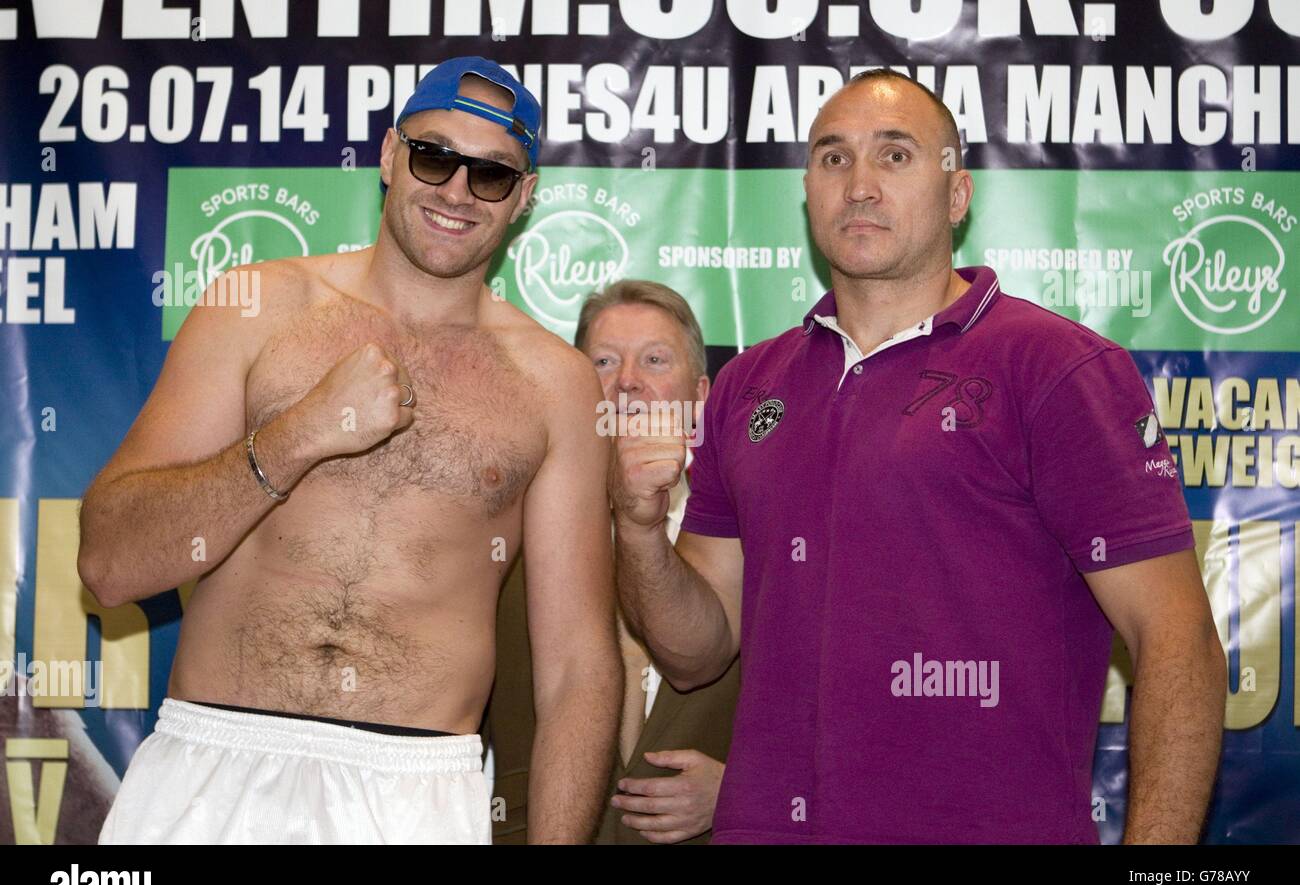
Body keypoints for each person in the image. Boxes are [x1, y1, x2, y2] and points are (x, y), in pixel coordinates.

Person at [609, 69, 1227, 844]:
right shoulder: (748, 386)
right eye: (834, 159)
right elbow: (698, 654)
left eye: (895, 156)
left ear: (957, 194)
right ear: (807, 193)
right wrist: (637, 534)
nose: (860, 186)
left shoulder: (1055, 368)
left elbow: (1177, 640)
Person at [79, 56, 620, 844]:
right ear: (388, 154)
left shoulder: (556, 385)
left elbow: (578, 668)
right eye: (434, 156)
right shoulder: (253, 308)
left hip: (415, 797)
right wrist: (296, 436)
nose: (457, 192)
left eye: (491, 175)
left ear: (525, 199)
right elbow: (109, 564)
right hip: (210, 770)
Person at [490, 281, 740, 844]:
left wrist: (743, 789)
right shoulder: (504, 531)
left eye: (654, 359)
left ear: (700, 394)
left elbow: (814, 698)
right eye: (603, 361)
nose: (627, 380)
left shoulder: (754, 535)